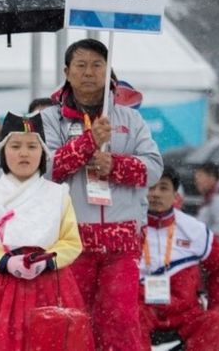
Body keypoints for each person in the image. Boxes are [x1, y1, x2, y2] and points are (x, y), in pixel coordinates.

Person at [41, 38, 163, 351]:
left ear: (109, 73)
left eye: (97, 65)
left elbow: (153, 169)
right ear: (67, 72)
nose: (88, 73)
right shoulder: (50, 120)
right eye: (80, 65)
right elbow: (48, 170)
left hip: (121, 242)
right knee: (73, 320)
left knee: (120, 321)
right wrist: (87, 143)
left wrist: (116, 165)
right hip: (71, 239)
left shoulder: (130, 119)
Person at [0, 111, 90, 350]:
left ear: (43, 153)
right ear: (3, 152)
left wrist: (47, 262)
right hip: (1, 284)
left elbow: (71, 242)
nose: (24, 153)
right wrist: (5, 262)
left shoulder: (58, 194)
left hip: (49, 283)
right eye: (15, 146)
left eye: (32, 146)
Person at [139, 166, 219, 351]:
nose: (156, 194)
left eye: (164, 188)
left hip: (184, 315)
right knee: (122, 315)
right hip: (143, 312)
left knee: (212, 320)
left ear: (175, 195)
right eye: (151, 187)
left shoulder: (194, 230)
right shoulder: (129, 226)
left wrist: (217, 308)